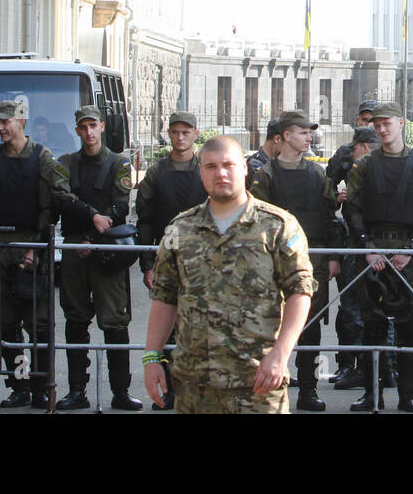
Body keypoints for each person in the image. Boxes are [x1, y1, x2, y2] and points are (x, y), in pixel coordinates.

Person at [144, 135, 314, 413]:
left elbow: (301, 292)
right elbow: (164, 296)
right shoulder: (180, 229)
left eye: (228, 165)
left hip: (258, 383)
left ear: (244, 168)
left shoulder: (278, 226)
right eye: (210, 167)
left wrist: (280, 355)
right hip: (194, 385)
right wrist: (152, 358)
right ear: (201, 172)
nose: (220, 173)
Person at [343, 102, 413, 412]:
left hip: (407, 252)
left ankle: (407, 396)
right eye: (378, 125)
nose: (383, 129)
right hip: (372, 250)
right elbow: (352, 208)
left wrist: (412, 247)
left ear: (401, 122)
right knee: (371, 325)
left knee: (408, 325)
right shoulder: (365, 165)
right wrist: (366, 247)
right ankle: (373, 395)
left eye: (388, 123)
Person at [0, 98, 71, 409]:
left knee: (39, 324)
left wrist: (35, 247)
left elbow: (53, 204)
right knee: (7, 323)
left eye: (6, 121)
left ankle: (42, 385)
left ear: (21, 122)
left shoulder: (43, 158)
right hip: (0, 246)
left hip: (34, 245)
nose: (1, 127)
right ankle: (20, 385)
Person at [250, 110, 340, 411]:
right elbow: (256, 220)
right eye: (303, 132)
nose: (308, 137)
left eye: (309, 132)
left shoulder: (317, 173)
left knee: (311, 326)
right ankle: (272, 385)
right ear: (286, 135)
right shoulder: (267, 174)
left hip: (311, 258)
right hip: (274, 260)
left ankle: (309, 389)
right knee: (271, 325)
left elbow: (329, 218)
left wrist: (330, 257)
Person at [55, 106, 140, 411]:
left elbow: (120, 206)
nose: (89, 132)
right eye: (83, 127)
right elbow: (62, 201)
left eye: (93, 126)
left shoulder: (119, 162)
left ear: (102, 127)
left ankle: (121, 392)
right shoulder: (65, 163)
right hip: (75, 251)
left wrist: (92, 236)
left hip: (108, 253)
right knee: (75, 320)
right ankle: (77, 390)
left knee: (115, 322)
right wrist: (91, 217)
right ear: (77, 130)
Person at [134, 110, 206, 410]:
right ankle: (168, 390)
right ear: (169, 134)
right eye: (175, 132)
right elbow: (145, 220)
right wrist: (147, 264)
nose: (180, 137)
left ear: (195, 134)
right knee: (167, 328)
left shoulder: (206, 169)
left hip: (203, 258)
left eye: (186, 132)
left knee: (200, 325)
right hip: (166, 256)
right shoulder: (157, 172)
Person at [330, 126, 379, 390]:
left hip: (378, 241)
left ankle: (383, 368)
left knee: (380, 306)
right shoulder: (344, 157)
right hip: (352, 239)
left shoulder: (386, 160)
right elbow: (327, 192)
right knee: (351, 306)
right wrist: (336, 197)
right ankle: (349, 364)